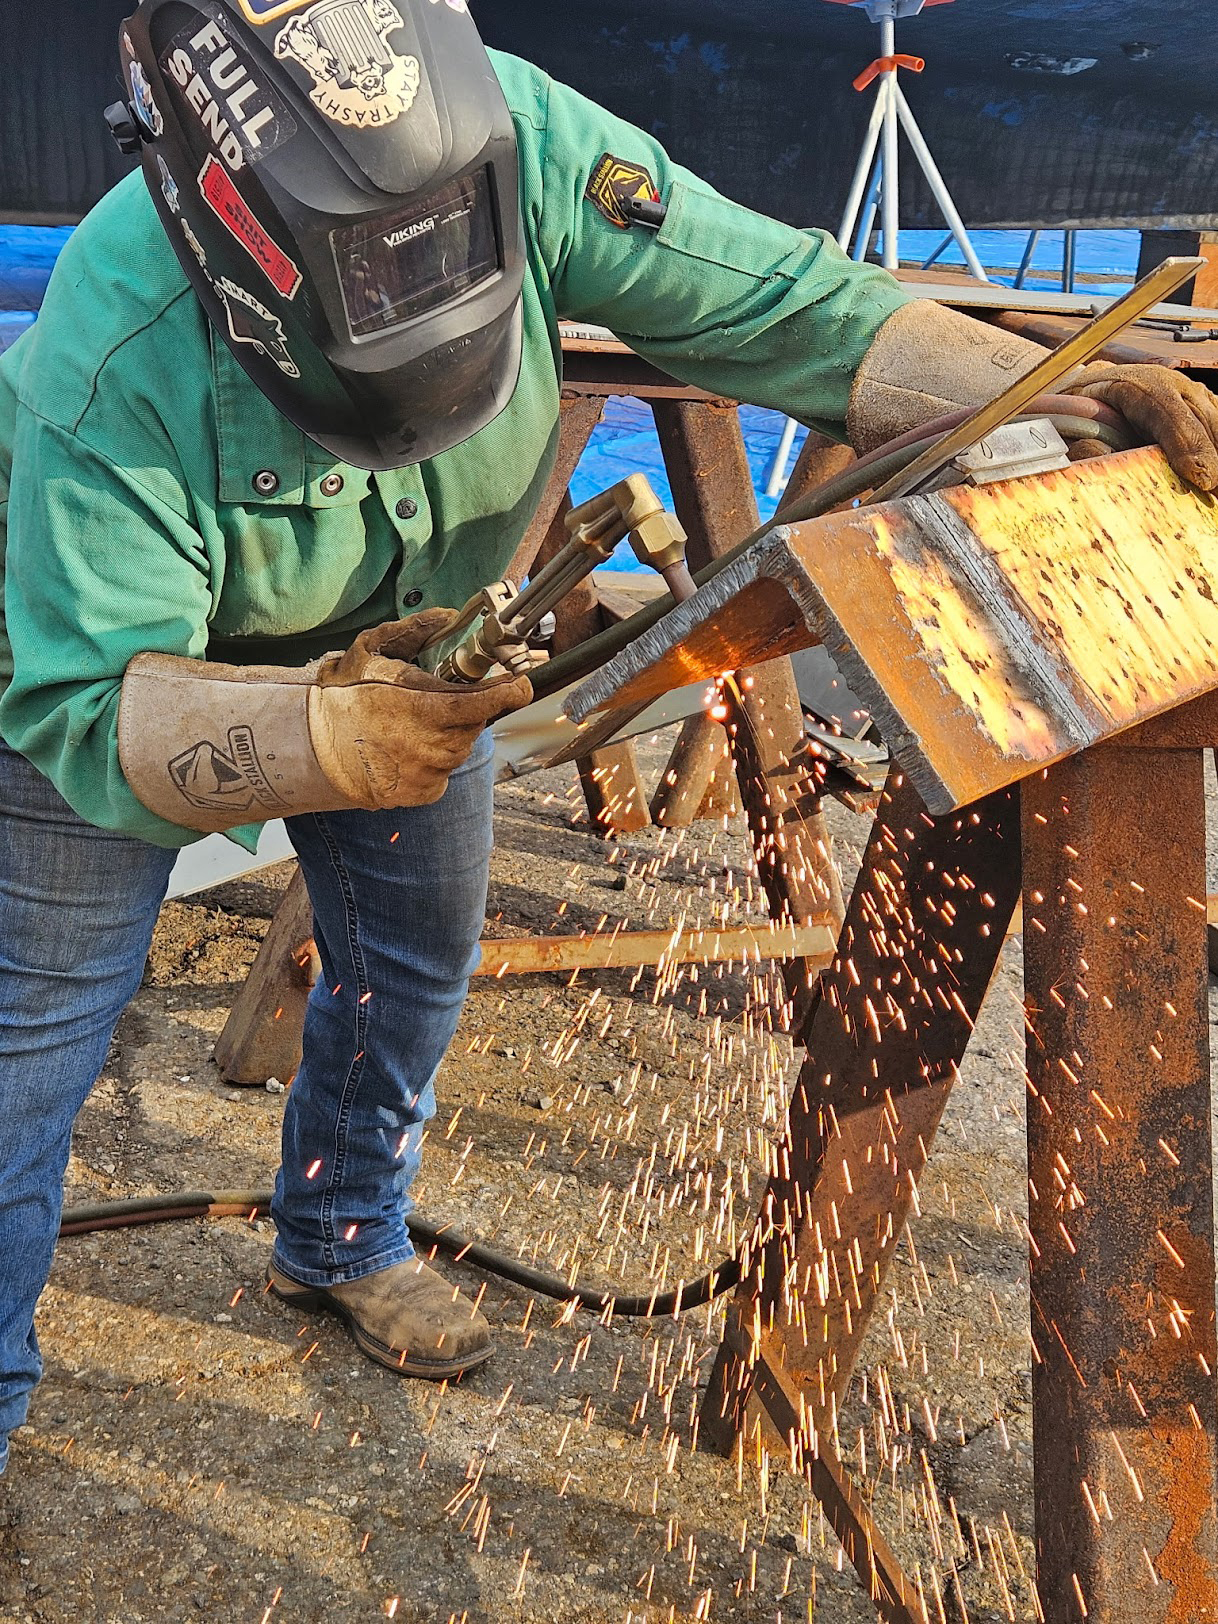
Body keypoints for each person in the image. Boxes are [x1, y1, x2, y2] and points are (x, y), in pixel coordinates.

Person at [2, 0, 1216, 1478]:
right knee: (32, 1049)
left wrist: (1047, 399)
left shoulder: (512, 139)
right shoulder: (114, 336)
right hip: (115, 680)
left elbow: (783, 302)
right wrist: (309, 726)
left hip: (429, 643)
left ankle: (335, 1234)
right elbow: (84, 706)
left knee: (409, 970)